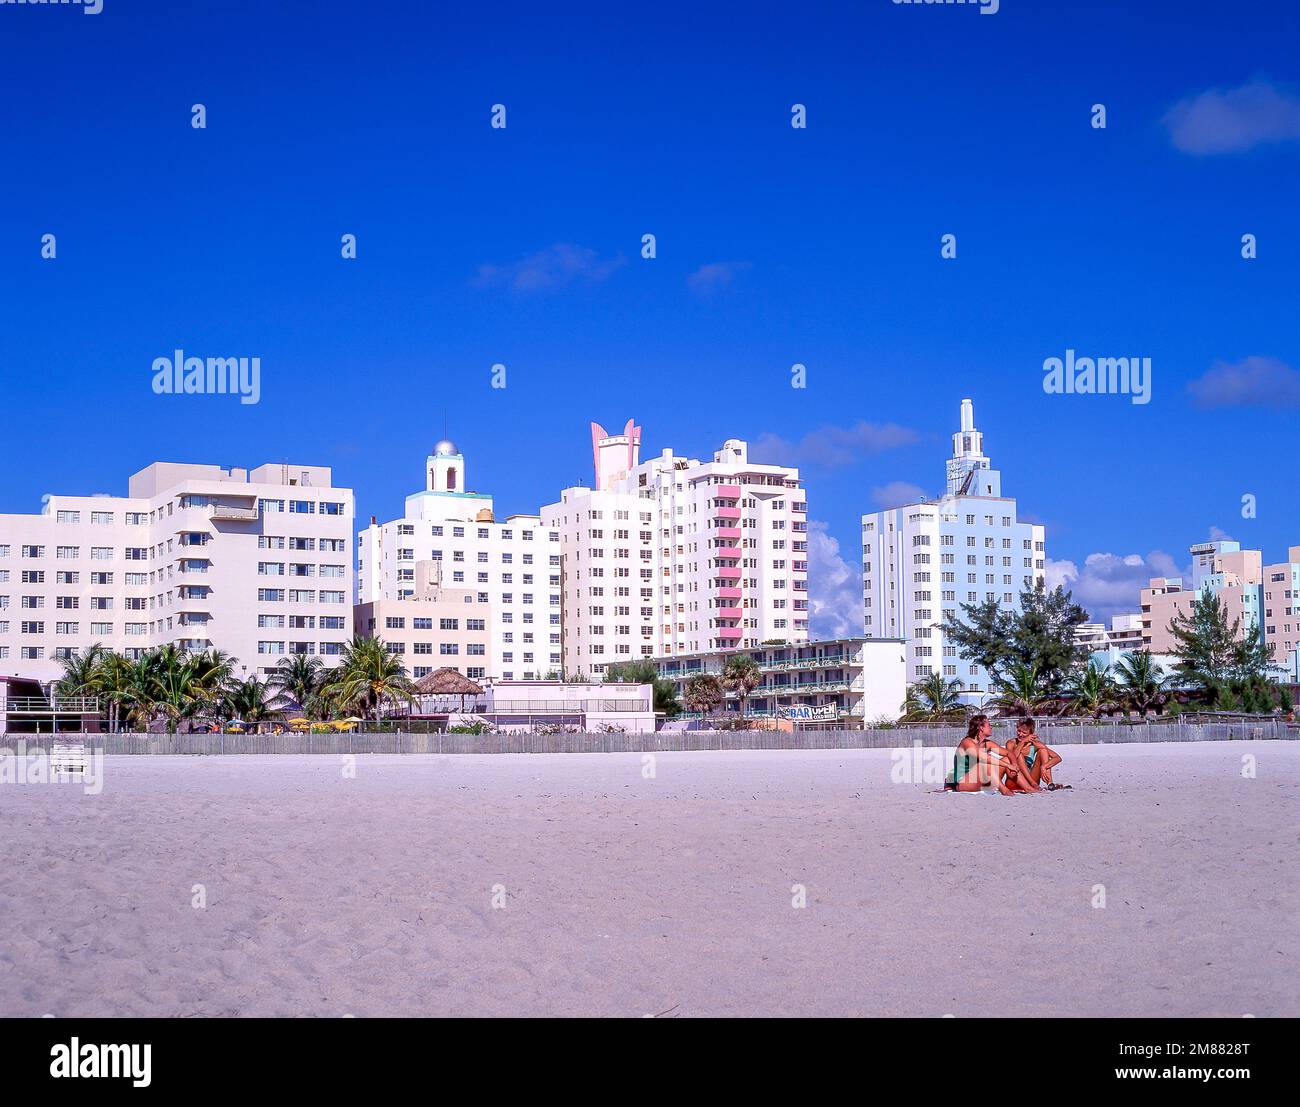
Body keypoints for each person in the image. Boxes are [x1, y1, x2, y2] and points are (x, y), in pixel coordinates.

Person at [947, 714, 1016, 795]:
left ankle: (1029, 787)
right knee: (984, 764)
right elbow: (984, 758)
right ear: (981, 728)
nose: (991, 727)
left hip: (981, 780)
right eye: (989, 725)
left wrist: (1014, 764)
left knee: (1007, 759)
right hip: (963, 782)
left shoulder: (987, 743)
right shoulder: (967, 742)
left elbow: (1008, 753)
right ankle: (1004, 790)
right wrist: (1008, 765)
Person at [1012, 717, 1063, 790]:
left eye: (1024, 733)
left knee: (1043, 750)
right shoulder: (1011, 743)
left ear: (1031, 734)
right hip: (1017, 778)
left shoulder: (1035, 744)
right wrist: (1022, 742)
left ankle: (1050, 783)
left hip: (1032, 778)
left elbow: (1057, 758)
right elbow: (1012, 759)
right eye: (1019, 731)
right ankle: (1031, 784)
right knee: (1019, 755)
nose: (1020, 734)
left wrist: (1044, 766)